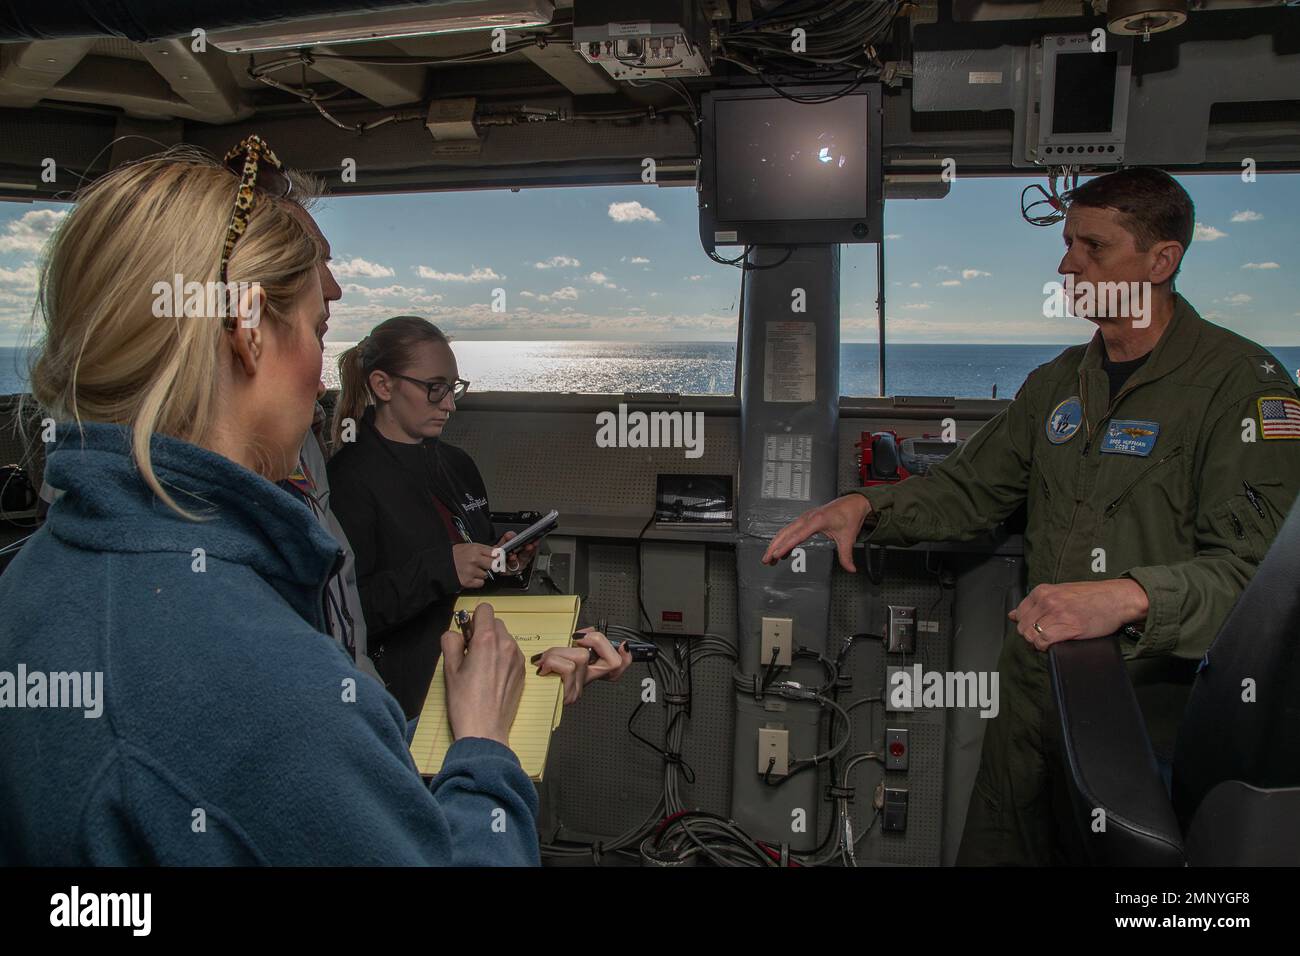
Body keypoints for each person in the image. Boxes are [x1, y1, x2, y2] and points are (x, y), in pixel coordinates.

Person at [0, 140, 538, 865]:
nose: (322, 375)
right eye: (318, 329)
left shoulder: (28, 582)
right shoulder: (277, 691)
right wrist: (483, 749)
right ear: (249, 331)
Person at [762, 167, 1300, 865]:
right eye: (1068, 243)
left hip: (1146, 710)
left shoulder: (1242, 389)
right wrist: (867, 507)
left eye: (1092, 247)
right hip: (1034, 692)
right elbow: (971, 489)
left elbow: (1261, 583)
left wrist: (1130, 595)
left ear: (1161, 260)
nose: (1066, 263)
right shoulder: (1056, 383)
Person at [327, 316, 632, 731]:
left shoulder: (457, 464)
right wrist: (442, 567)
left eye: (453, 388)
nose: (449, 404)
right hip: (405, 700)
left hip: (481, 680)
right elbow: (348, 611)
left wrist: (505, 558)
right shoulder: (348, 480)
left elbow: (468, 547)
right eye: (434, 388)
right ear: (383, 386)